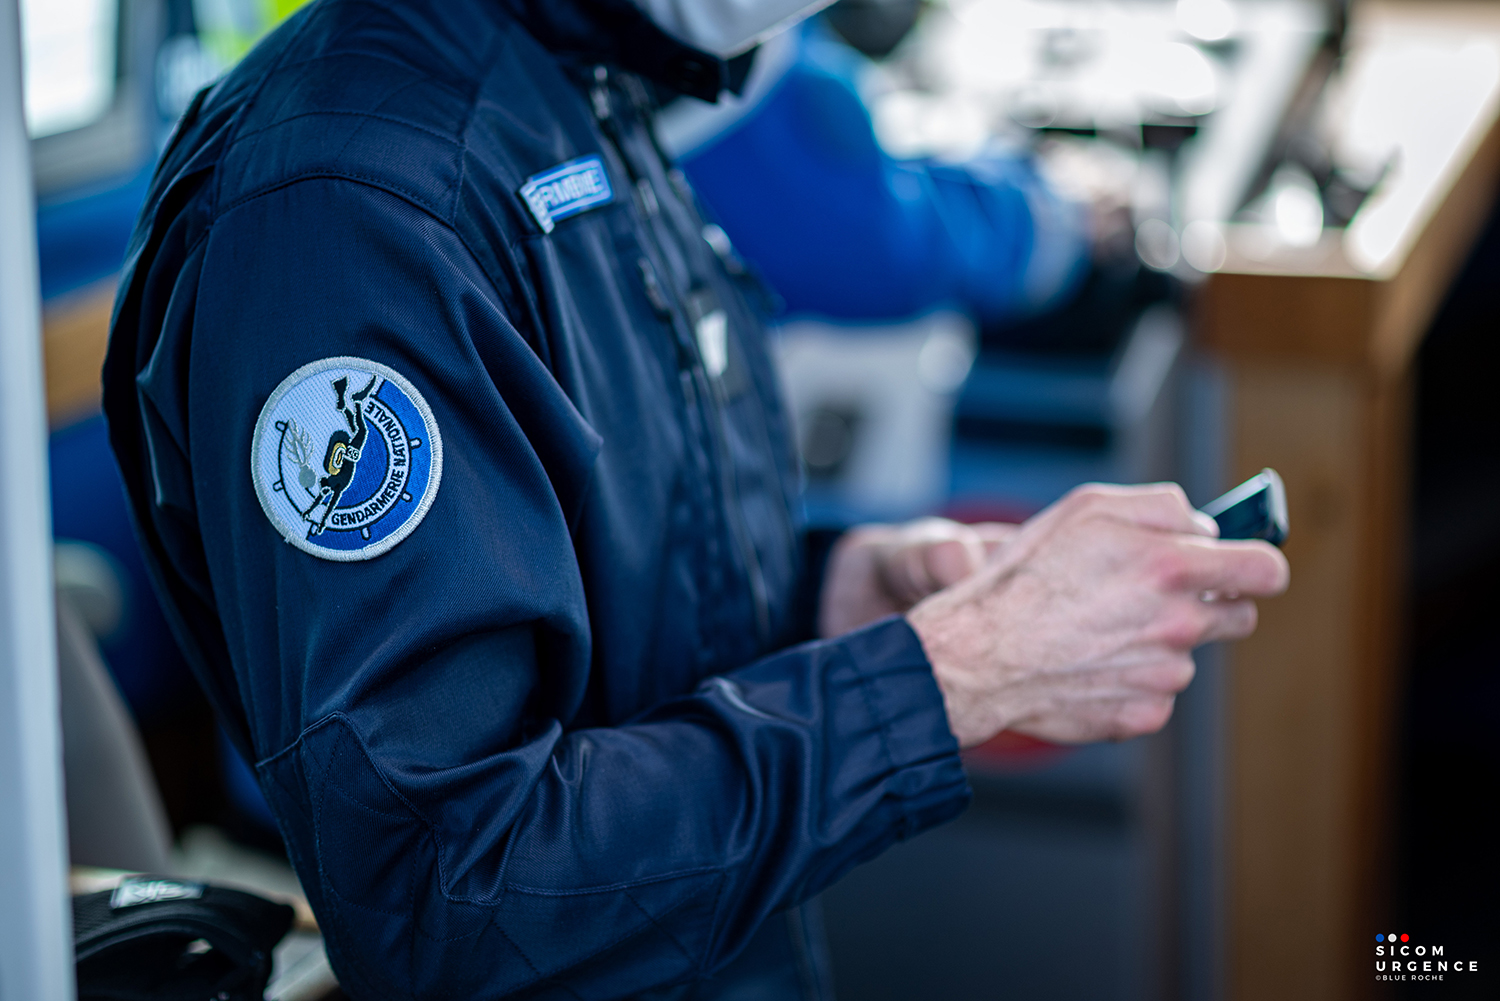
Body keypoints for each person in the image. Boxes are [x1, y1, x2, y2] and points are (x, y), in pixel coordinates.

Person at [103, 1, 1289, 998]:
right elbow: (451, 897)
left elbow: (591, 579)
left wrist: (828, 586)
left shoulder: (586, 85)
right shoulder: (354, 209)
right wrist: (954, 673)